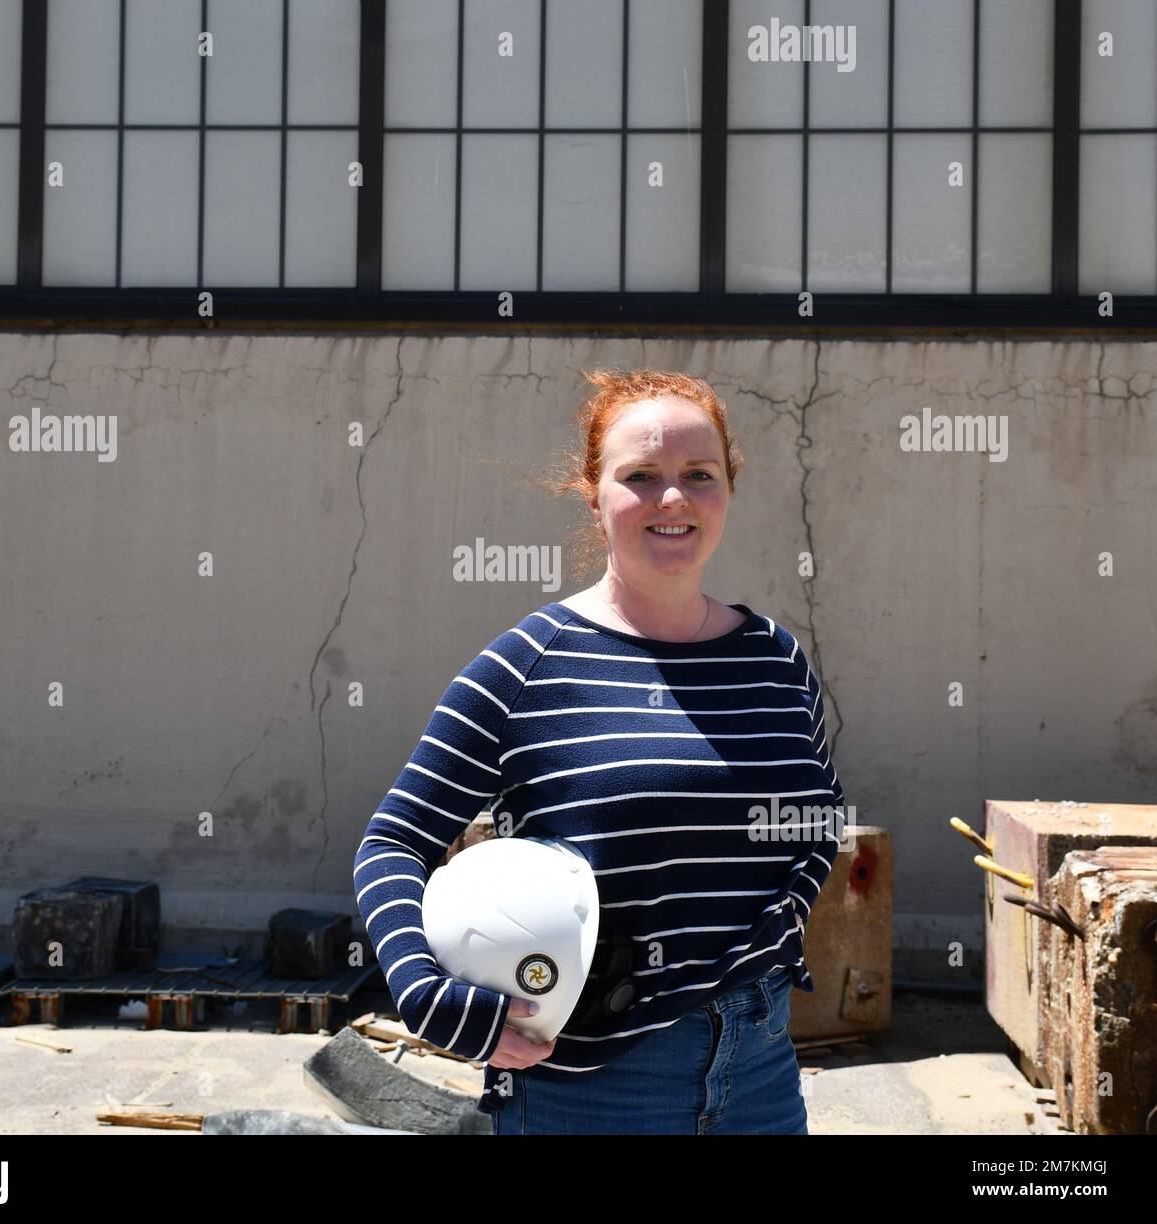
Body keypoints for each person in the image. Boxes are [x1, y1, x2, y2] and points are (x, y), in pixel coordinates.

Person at [353, 368, 845, 1135]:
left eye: (698, 476)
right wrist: (428, 995)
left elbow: (815, 823)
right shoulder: (528, 667)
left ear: (729, 491)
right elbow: (393, 842)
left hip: (761, 1072)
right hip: (590, 1087)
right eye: (640, 476)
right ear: (593, 496)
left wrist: (773, 941)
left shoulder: (776, 659)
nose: (672, 499)